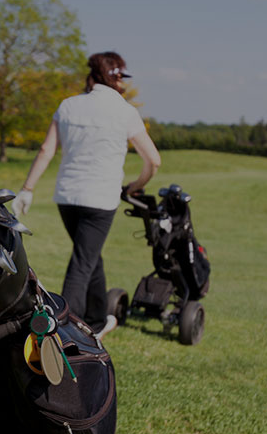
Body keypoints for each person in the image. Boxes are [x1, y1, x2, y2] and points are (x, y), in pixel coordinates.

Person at [12, 52, 161, 338]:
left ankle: (95, 319)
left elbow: (46, 150)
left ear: (91, 77)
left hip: (67, 198)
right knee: (83, 262)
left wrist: (27, 189)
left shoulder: (68, 105)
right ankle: (64, 333)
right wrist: (136, 185)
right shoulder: (125, 111)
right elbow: (153, 161)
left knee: (89, 255)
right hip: (100, 200)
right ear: (119, 79)